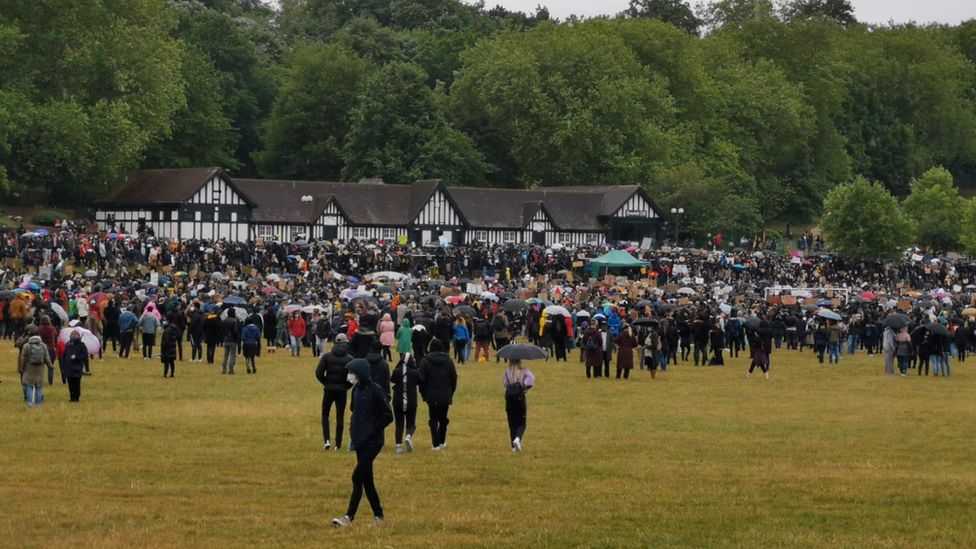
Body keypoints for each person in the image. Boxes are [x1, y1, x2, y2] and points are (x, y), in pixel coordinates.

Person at [331, 358, 393, 528]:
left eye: (352, 373)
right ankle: (379, 516)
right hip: (359, 441)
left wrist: (373, 428)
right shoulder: (356, 390)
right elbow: (354, 410)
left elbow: (388, 415)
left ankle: (348, 517)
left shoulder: (376, 391)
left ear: (362, 374)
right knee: (367, 480)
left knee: (357, 477)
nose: (350, 376)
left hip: (373, 442)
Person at [418, 339, 458, 450]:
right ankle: (442, 441)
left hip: (431, 394)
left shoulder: (425, 361)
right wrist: (451, 391)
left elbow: (421, 379)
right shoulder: (449, 361)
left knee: (433, 418)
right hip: (445, 393)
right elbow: (454, 377)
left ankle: (435, 443)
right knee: (443, 418)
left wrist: (423, 393)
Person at [315, 334, 352, 451]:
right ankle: (338, 444)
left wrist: (325, 382)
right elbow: (352, 377)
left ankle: (326, 440)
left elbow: (318, 373)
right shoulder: (349, 359)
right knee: (340, 417)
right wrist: (347, 386)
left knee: (325, 415)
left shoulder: (326, 357)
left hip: (329, 389)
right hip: (341, 390)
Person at [502, 359, 535, 452]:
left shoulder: (506, 372)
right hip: (520, 400)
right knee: (522, 423)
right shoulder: (524, 371)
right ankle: (518, 438)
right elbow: (531, 380)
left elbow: (505, 384)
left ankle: (513, 447)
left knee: (512, 424)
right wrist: (523, 386)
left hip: (509, 401)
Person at [391, 353, 420, 454]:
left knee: (399, 423)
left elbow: (392, 379)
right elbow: (420, 381)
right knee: (411, 422)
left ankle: (398, 445)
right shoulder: (415, 372)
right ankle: (408, 436)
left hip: (398, 400)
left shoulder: (396, 371)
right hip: (411, 400)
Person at [19, 334, 53, 407]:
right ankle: (39, 403)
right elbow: (46, 357)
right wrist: (50, 366)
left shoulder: (26, 346)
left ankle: (30, 402)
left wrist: (21, 368)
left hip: (29, 368)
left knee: (29, 385)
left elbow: (23, 358)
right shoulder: (43, 345)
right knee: (39, 386)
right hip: (40, 369)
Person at [62, 329, 90, 402]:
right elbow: (64, 355)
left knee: (76, 383)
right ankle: (72, 397)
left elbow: (84, 356)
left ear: (78, 336)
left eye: (75, 334)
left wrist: (76, 356)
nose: (73, 335)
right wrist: (64, 365)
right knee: (70, 383)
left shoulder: (81, 345)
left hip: (77, 367)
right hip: (68, 367)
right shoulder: (68, 344)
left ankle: (76, 397)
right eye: (72, 334)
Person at [36, 315, 58, 385]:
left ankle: (39, 380)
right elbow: (55, 338)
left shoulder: (39, 329)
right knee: (50, 366)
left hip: (41, 348)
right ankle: (50, 381)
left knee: (40, 365)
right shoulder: (52, 329)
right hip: (51, 348)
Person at [221, 308, 241, 374]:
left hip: (225, 339)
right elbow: (235, 331)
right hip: (232, 340)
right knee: (232, 355)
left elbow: (222, 331)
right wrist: (236, 339)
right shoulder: (234, 321)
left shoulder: (224, 321)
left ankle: (224, 369)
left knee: (225, 355)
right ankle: (231, 370)